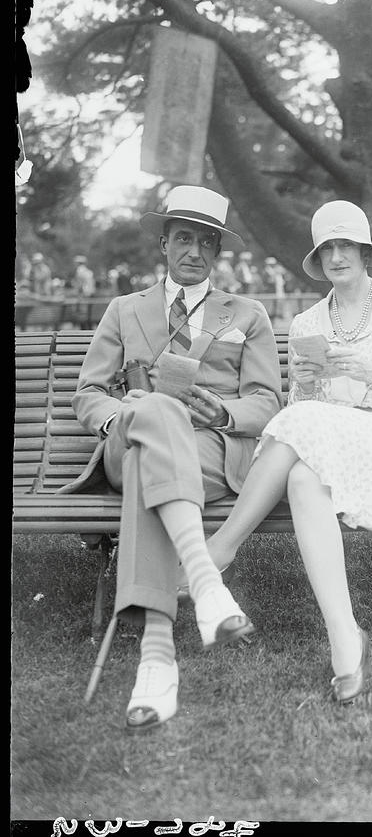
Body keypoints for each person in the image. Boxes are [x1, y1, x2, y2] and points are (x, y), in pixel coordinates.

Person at [182, 199, 372, 704]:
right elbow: (304, 413)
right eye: (327, 249)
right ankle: (345, 637)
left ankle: (223, 546)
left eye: (347, 246)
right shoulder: (305, 323)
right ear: (318, 260)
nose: (337, 256)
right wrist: (301, 384)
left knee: (299, 427)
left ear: (366, 253)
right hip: (329, 442)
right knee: (302, 477)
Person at [58, 185, 283, 731]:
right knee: (153, 413)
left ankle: (157, 657)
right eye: (184, 238)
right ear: (164, 242)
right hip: (127, 438)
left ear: (218, 253)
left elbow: (268, 400)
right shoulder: (123, 309)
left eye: (208, 242)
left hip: (207, 449)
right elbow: (88, 392)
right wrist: (122, 416)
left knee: (150, 456)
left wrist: (224, 412)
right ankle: (204, 580)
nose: (195, 251)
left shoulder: (246, 314)